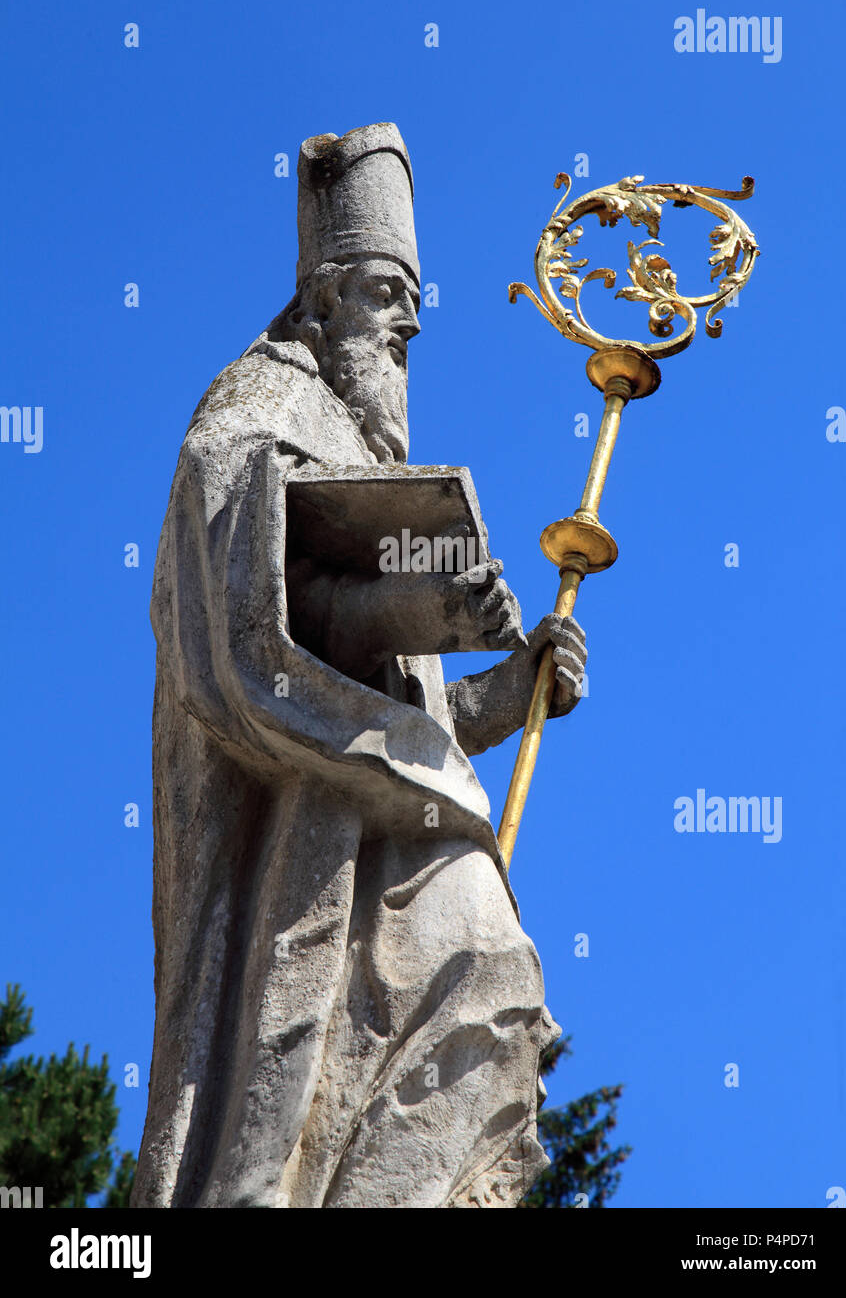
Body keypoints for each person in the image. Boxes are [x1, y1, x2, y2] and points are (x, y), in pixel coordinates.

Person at [131, 123, 586, 1209]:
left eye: (415, 308)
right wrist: (407, 599)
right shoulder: (256, 411)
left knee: (495, 981)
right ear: (324, 298)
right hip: (304, 844)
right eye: (389, 294)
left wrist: (511, 687)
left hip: (386, 820)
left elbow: (401, 704)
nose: (409, 322)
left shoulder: (356, 442)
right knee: (482, 961)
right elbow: (258, 623)